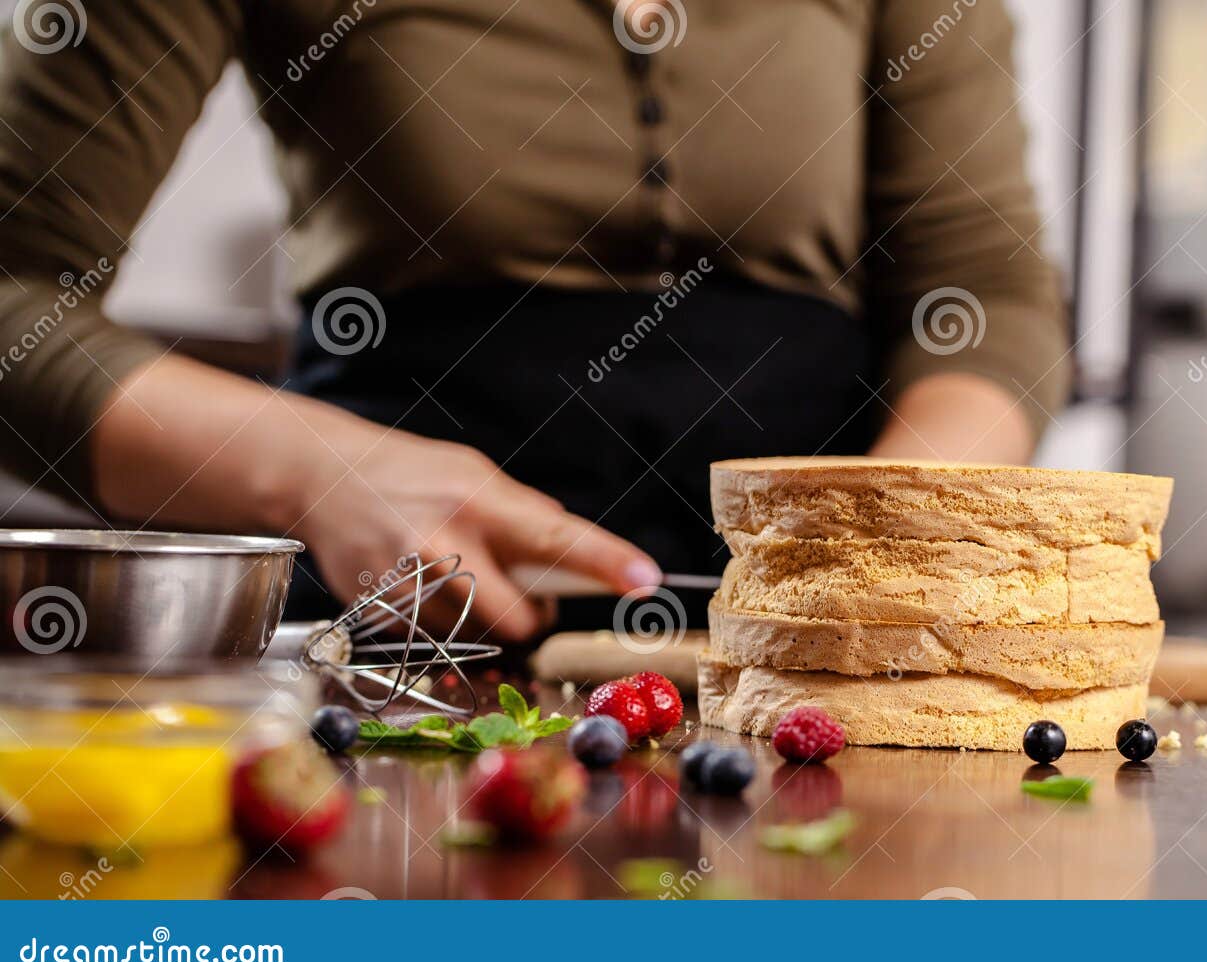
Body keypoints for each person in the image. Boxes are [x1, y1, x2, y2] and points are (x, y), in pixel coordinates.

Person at [0, 0, 1066, 640]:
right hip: (404, 638)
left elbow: (980, 289)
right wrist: (306, 470)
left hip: (819, 652)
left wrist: (893, 539)